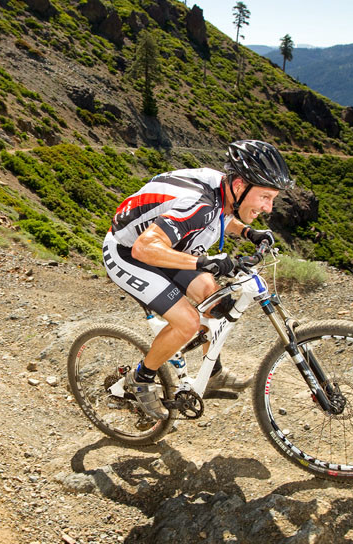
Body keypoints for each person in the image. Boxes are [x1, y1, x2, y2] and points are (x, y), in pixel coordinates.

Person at [103, 140, 294, 419]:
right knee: (188, 321)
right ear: (240, 186)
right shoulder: (197, 202)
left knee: (215, 299)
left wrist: (248, 233)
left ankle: (213, 373)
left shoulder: (223, 189)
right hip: (127, 252)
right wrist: (203, 262)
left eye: (272, 198)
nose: (269, 207)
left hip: (169, 247)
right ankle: (140, 379)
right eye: (265, 197)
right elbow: (144, 248)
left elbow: (221, 216)